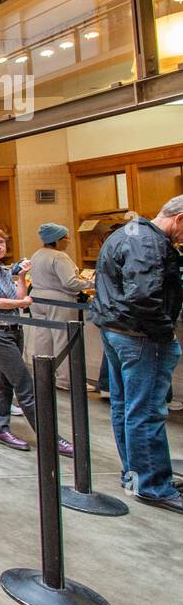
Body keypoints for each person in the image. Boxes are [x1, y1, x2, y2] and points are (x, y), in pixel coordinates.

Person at [89, 195, 183, 514]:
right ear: (179, 219)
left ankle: (136, 473)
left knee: (126, 406)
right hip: (139, 335)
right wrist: (163, 330)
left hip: (118, 330)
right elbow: (143, 294)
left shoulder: (127, 233)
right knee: (145, 410)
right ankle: (152, 484)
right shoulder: (148, 242)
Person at [0, 228, 74, 456]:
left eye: (1, 242)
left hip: (14, 329)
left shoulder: (2, 269)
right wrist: (21, 303)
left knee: (3, 382)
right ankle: (50, 437)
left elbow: (17, 296)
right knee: (26, 385)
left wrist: (22, 277)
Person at [27, 223, 90, 392]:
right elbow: (70, 282)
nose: (68, 241)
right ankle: (66, 380)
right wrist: (91, 282)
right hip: (59, 299)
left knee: (42, 337)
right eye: (66, 237)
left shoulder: (37, 254)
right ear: (57, 240)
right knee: (64, 339)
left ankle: (43, 375)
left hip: (37, 298)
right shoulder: (59, 257)